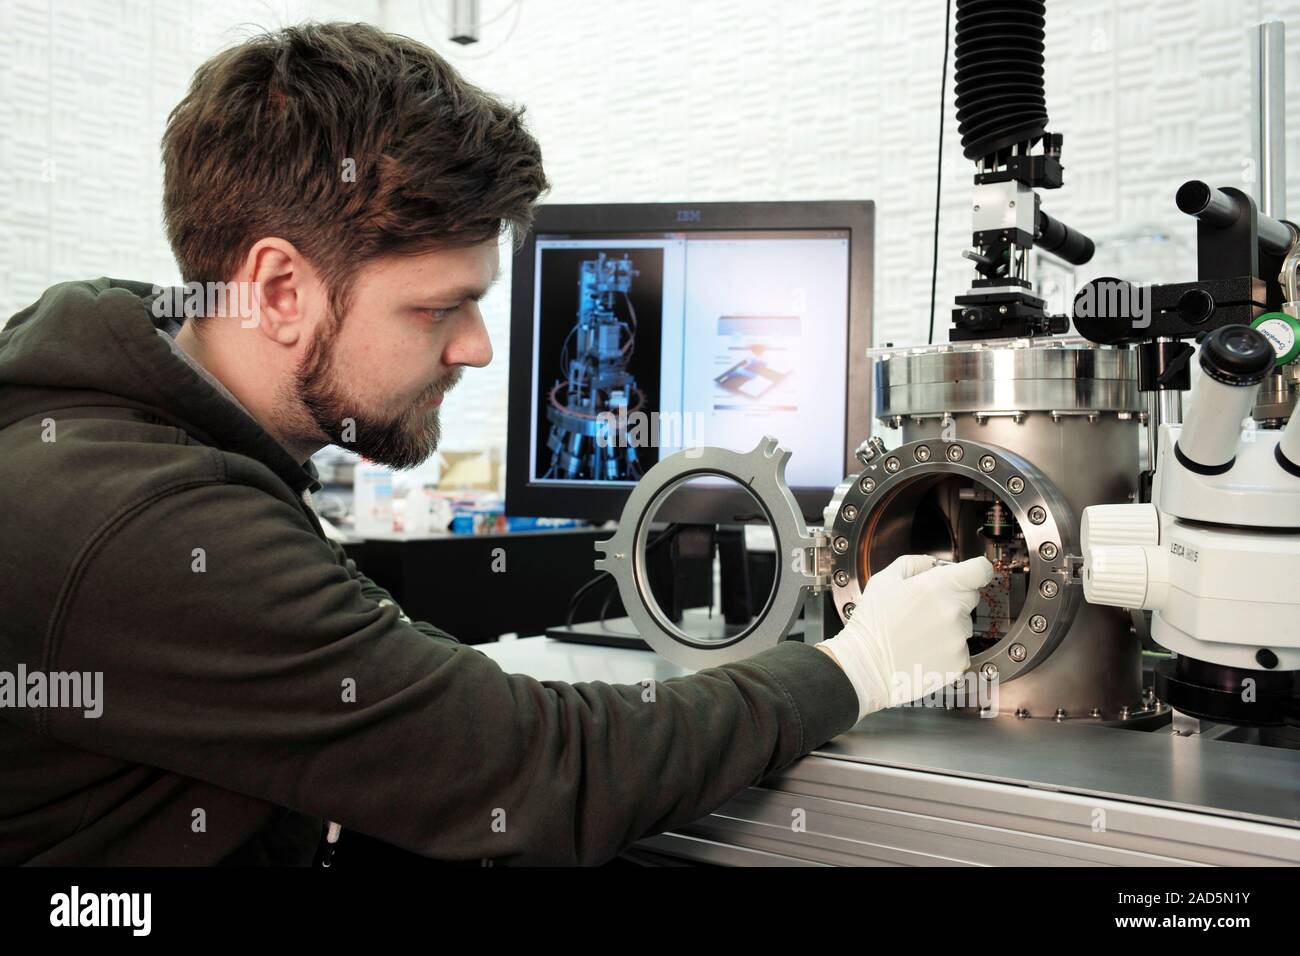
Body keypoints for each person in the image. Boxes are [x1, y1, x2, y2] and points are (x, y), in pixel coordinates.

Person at [0, 21, 992, 865]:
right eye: (442, 307)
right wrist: (858, 666)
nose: (476, 347)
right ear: (279, 290)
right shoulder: (140, 522)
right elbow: (536, 770)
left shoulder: (129, 430)